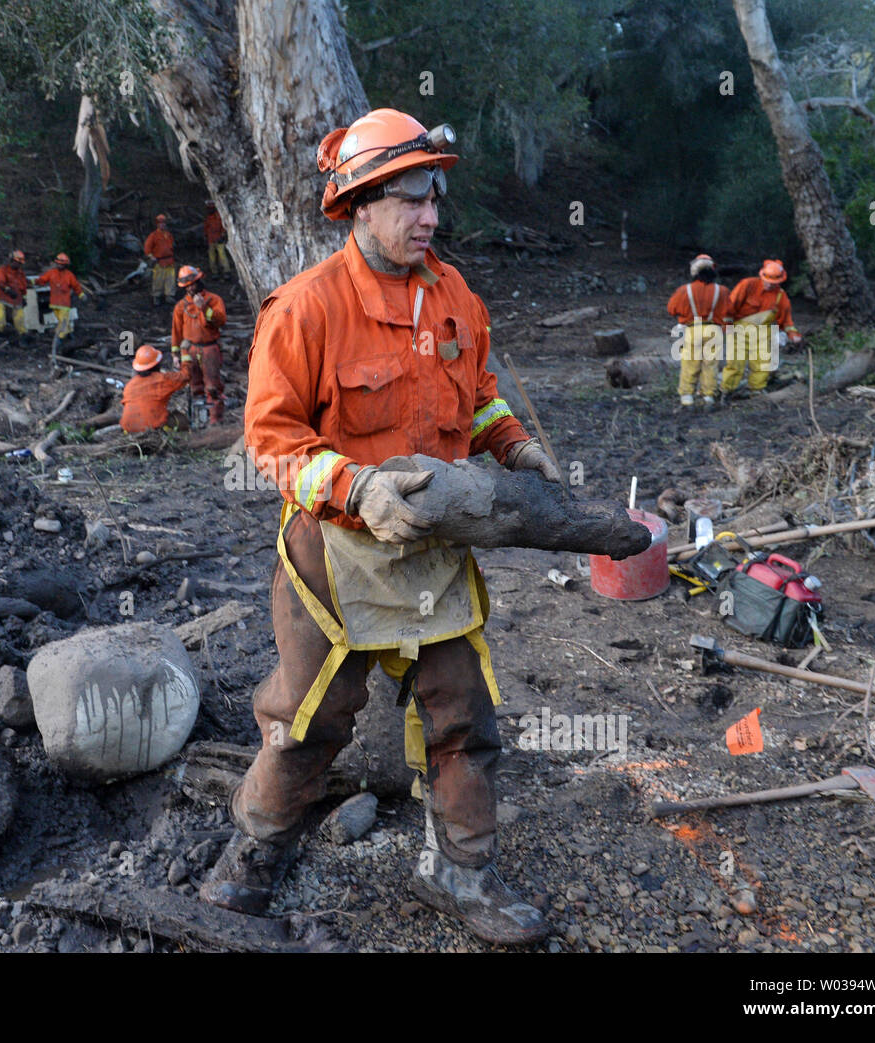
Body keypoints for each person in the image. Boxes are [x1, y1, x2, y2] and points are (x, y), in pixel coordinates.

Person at [199, 108, 559, 946]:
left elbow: (478, 398)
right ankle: (254, 851)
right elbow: (273, 439)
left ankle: (461, 870)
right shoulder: (306, 309)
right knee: (311, 716)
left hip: (435, 549)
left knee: (463, 715)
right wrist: (358, 491)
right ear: (359, 203)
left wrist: (513, 443)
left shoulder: (455, 294)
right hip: (336, 552)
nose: (429, 216)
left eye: (435, 198)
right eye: (409, 199)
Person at [720, 258, 802, 398]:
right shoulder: (747, 285)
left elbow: (786, 321)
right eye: (768, 281)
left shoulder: (780, 297)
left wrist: (793, 334)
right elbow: (730, 306)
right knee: (735, 363)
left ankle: (756, 392)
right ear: (762, 275)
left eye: (774, 283)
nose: (770, 285)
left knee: (763, 364)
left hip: (763, 333)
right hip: (740, 329)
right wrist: (726, 326)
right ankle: (726, 391)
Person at [667, 253, 728, 409]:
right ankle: (709, 398)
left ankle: (687, 399)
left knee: (690, 364)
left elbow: (672, 309)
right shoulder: (722, 291)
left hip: (693, 330)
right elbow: (729, 312)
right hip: (714, 330)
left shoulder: (684, 290)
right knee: (711, 365)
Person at [171, 265, 227, 425]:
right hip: (189, 349)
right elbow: (176, 331)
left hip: (210, 348)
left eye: (192, 284)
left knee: (212, 386)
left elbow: (221, 320)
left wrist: (204, 307)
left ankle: (216, 420)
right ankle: (198, 421)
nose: (190, 288)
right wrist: (175, 355)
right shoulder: (181, 306)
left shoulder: (213, 300)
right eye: (186, 286)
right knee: (194, 386)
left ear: (199, 281)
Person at [120, 344, 190, 433]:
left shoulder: (129, 385)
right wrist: (185, 354)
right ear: (157, 364)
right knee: (182, 420)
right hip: (153, 427)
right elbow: (186, 376)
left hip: (129, 429)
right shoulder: (163, 379)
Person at [35, 253, 87, 359]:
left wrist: (81, 295)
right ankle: (67, 338)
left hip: (64, 304)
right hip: (55, 304)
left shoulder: (69, 275)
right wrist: (32, 282)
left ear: (65, 265)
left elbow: (76, 286)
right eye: (58, 264)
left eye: (62, 264)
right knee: (63, 322)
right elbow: (42, 280)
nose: (60, 266)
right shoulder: (51, 273)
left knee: (63, 323)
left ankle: (59, 341)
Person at [0, 249, 29, 339]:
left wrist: (24, 298)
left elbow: (23, 287)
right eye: (17, 263)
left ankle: (22, 335)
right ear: (12, 261)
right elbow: (1, 282)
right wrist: (8, 290)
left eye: (20, 264)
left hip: (16, 299)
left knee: (19, 319)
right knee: (0, 317)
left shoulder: (21, 273)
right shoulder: (3, 270)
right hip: (3, 298)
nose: (18, 265)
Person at [144, 214, 175, 307]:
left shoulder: (169, 235)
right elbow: (147, 247)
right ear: (157, 224)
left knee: (170, 279)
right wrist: (151, 256)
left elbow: (172, 246)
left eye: (163, 223)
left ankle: (169, 295)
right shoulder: (153, 235)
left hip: (169, 260)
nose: (162, 225)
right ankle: (156, 296)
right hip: (159, 261)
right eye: (160, 223)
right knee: (158, 280)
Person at [204, 201, 232, 277]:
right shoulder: (208, 218)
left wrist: (222, 236)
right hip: (211, 240)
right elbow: (206, 228)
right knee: (212, 256)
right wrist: (206, 236)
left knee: (222, 255)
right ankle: (214, 272)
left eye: (211, 208)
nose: (209, 210)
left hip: (219, 239)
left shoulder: (219, 217)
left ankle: (226, 271)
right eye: (208, 208)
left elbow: (223, 227)